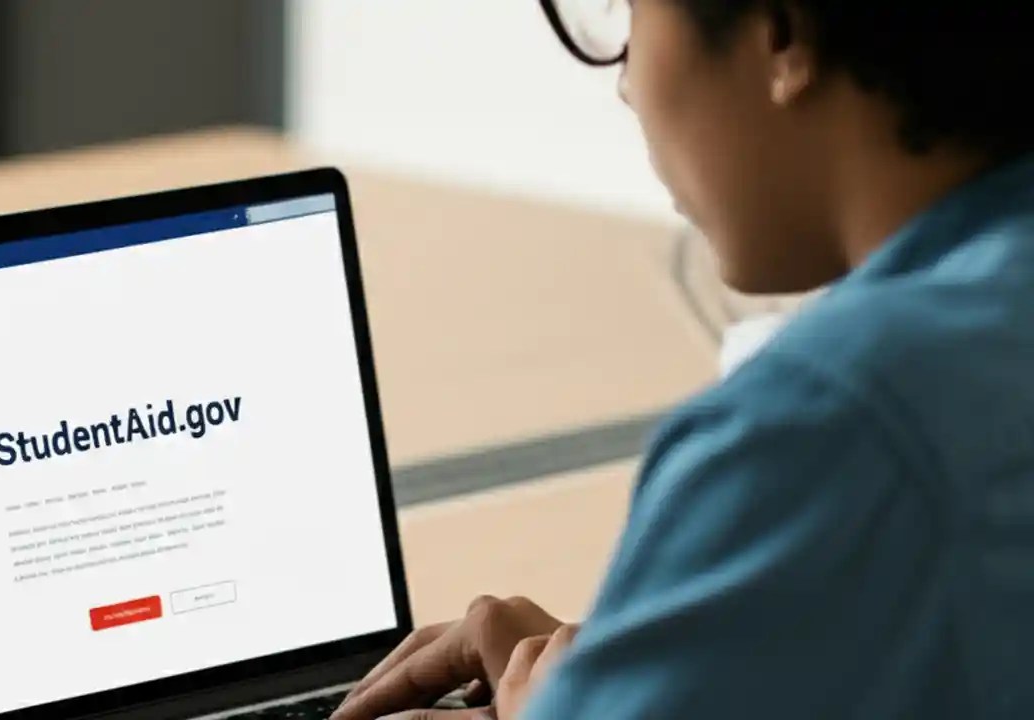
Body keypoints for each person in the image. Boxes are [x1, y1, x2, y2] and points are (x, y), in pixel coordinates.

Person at [332, 0, 1034, 718]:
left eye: (633, 12)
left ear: (783, 33)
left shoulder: (821, 423)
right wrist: (653, 660)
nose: (628, 84)